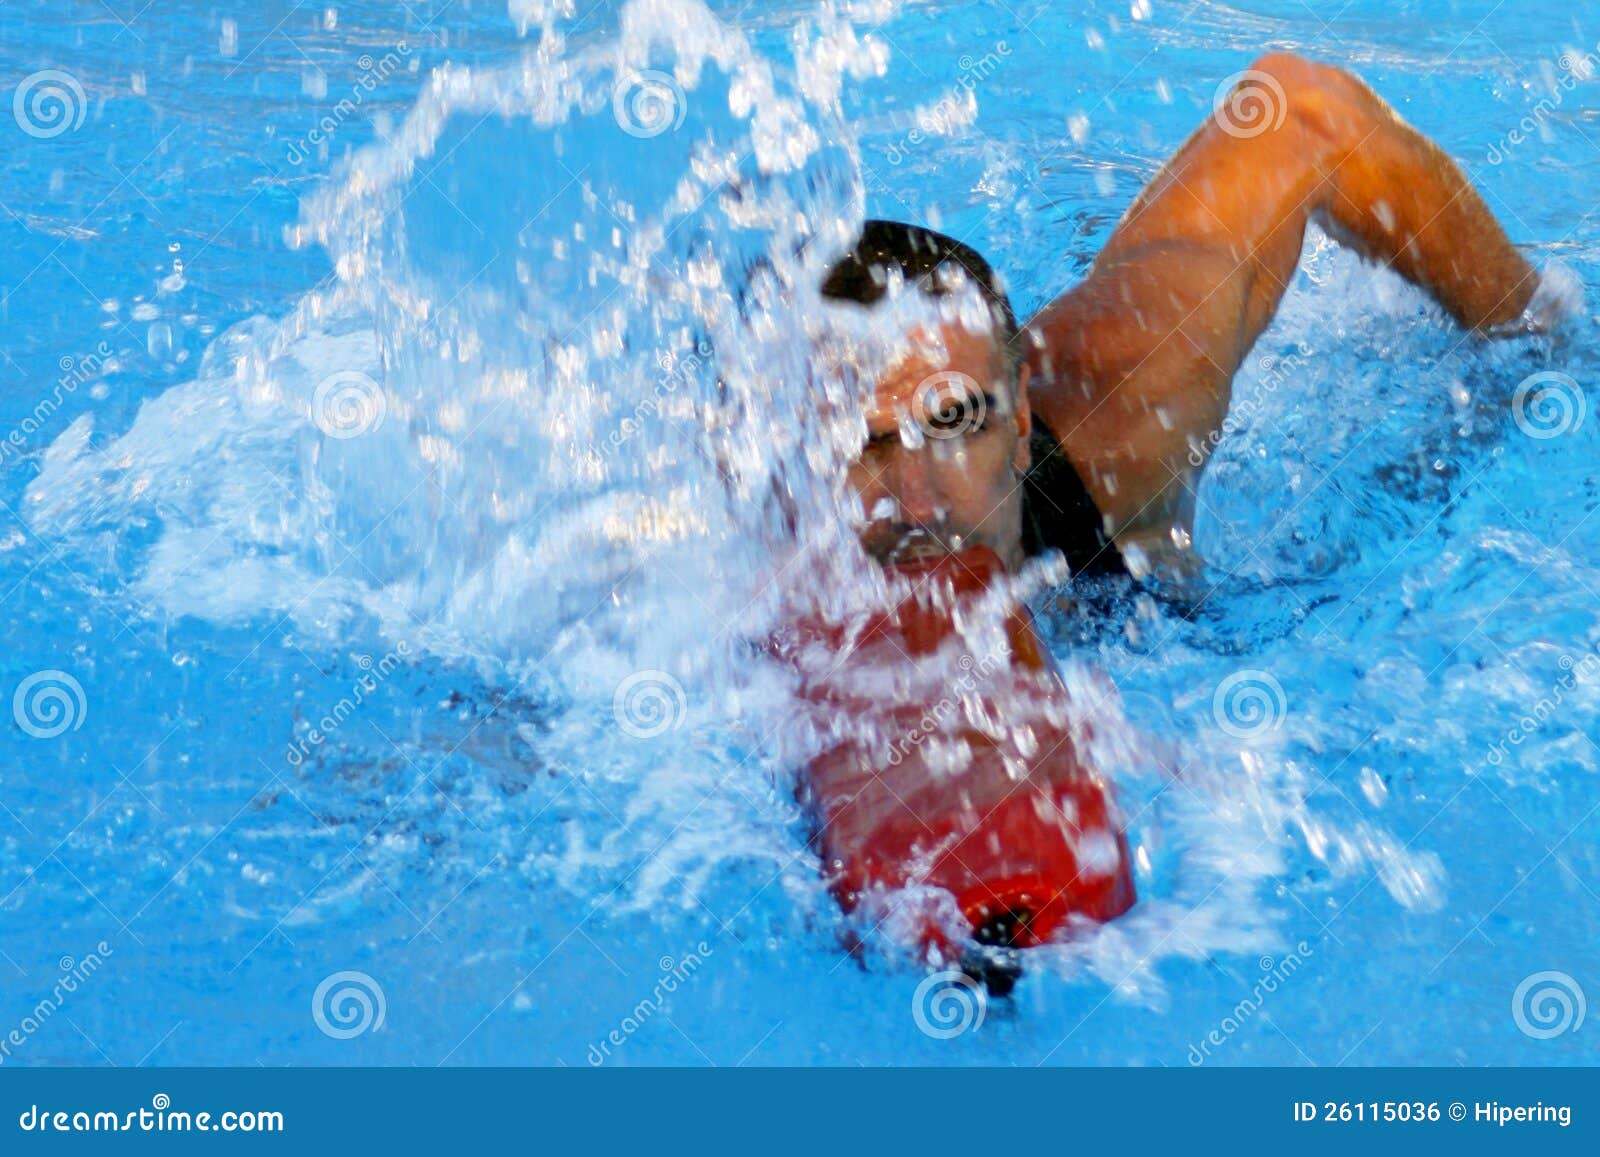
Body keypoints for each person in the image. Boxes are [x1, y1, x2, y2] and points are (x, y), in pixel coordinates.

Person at [822, 53, 1567, 582]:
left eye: (954, 422)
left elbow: (1304, 112)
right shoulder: (736, 567)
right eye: (862, 447)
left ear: (1019, 429)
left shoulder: (1125, 411)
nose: (916, 504)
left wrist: (1535, 340)